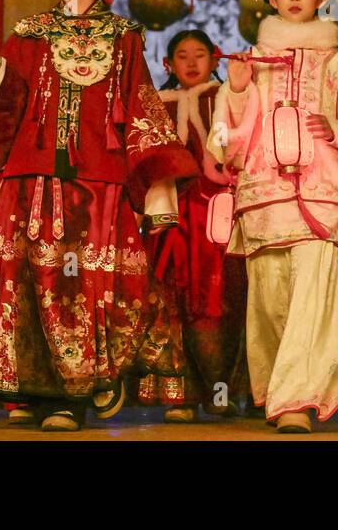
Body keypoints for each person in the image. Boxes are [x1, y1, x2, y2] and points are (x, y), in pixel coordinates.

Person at [0, 0, 197, 432]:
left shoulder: (126, 36)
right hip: (32, 172)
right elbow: (9, 100)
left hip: (98, 177)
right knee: (30, 276)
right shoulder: (28, 31)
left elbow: (141, 107)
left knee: (86, 282)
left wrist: (156, 188)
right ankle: (33, 389)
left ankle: (79, 393)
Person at [209, 0, 338, 434]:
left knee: (313, 297)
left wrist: (334, 132)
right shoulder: (249, 63)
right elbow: (223, 141)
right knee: (269, 303)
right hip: (264, 198)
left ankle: (296, 402)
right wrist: (239, 92)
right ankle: (277, 394)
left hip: (322, 195)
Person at [143, 29, 249, 421]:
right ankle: (181, 395)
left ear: (215, 60)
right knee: (172, 300)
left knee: (225, 300)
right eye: (181, 55)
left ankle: (225, 391)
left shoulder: (227, 99)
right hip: (171, 217)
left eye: (199, 54)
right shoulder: (156, 106)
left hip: (220, 215)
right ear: (168, 63)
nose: (190, 63)